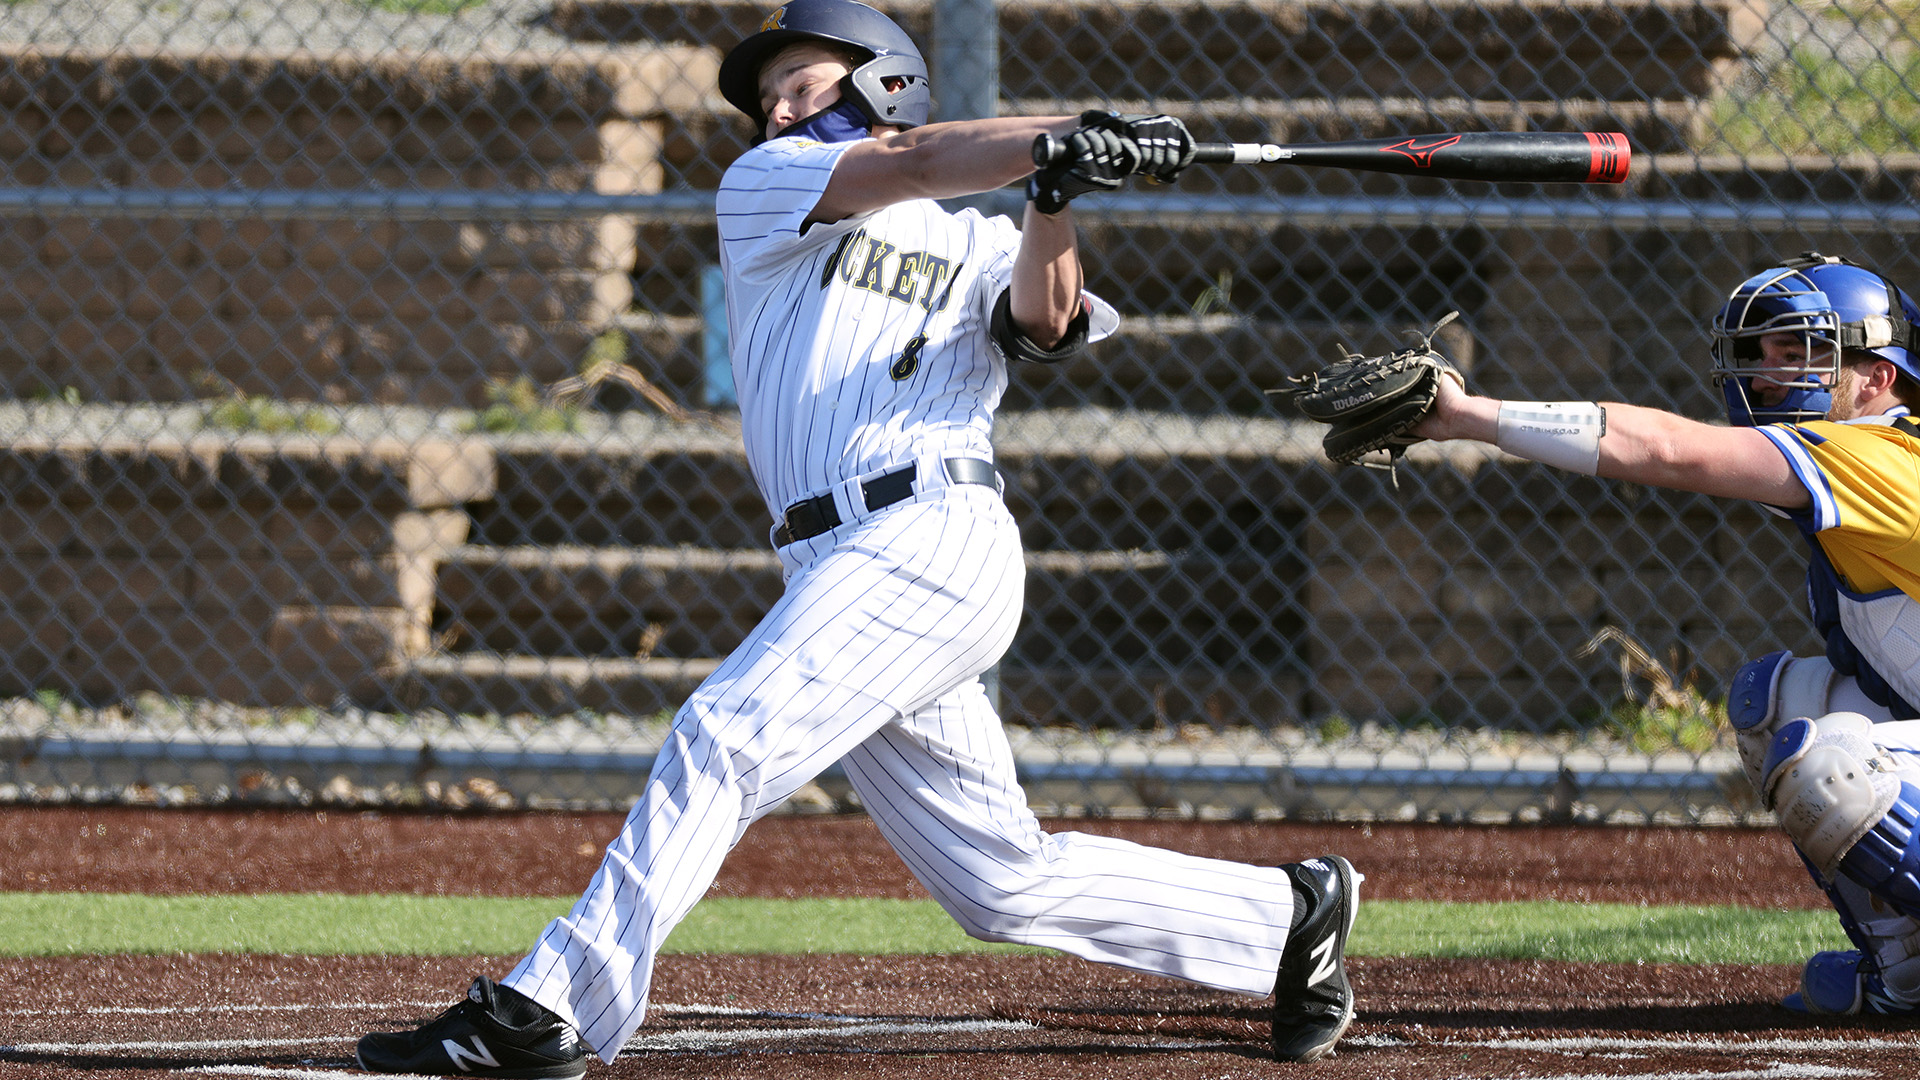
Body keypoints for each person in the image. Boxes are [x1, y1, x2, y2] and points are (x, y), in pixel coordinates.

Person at [353, 1, 1361, 1073]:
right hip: (836, 562)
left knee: (723, 737)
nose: (779, 106)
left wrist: (1054, 198)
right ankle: (1286, 917)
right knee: (998, 882)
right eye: (771, 93)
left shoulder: (977, 239)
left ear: (884, 78)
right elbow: (921, 159)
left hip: (934, 534)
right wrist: (1065, 130)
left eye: (803, 80)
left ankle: (548, 1008)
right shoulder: (769, 188)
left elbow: (1048, 322)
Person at [1406, 251, 1920, 1017]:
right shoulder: (1870, 450)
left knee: (1836, 768)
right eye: (1760, 355)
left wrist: (1468, 417)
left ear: (1877, 377)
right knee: (1778, 702)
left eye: (1799, 352)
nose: (1768, 374)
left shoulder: (1875, 456)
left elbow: (1670, 449)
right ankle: (1904, 972)